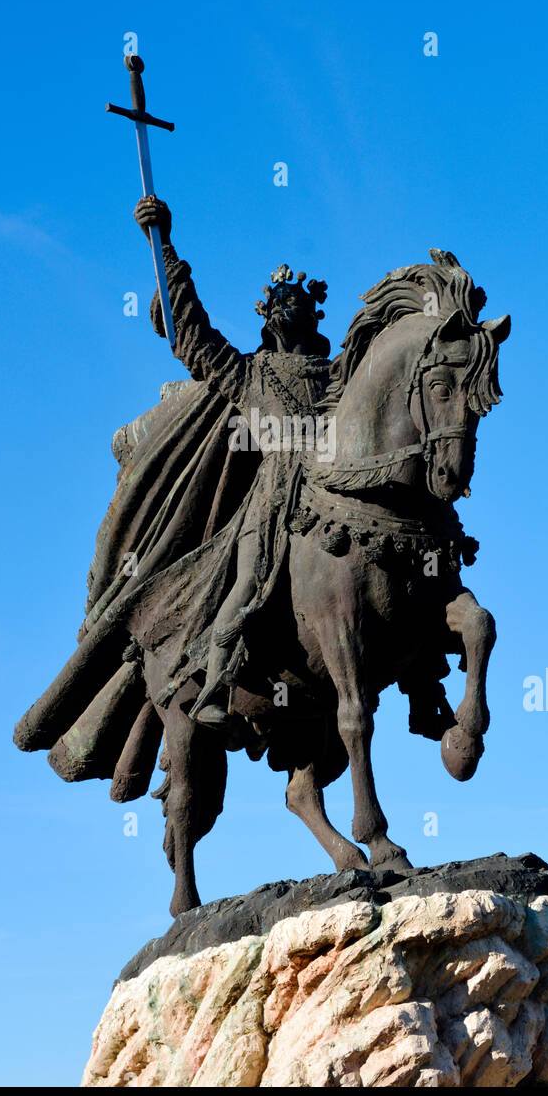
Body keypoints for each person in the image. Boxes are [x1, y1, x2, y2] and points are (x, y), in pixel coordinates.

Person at [134, 194, 330, 728]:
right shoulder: (249, 374)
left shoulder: (339, 375)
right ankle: (216, 683)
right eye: (282, 303)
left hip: (331, 490)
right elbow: (192, 334)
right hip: (270, 503)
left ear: (316, 314)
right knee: (247, 586)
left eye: (302, 303)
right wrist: (165, 245)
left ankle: (422, 678)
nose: (294, 309)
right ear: (269, 317)